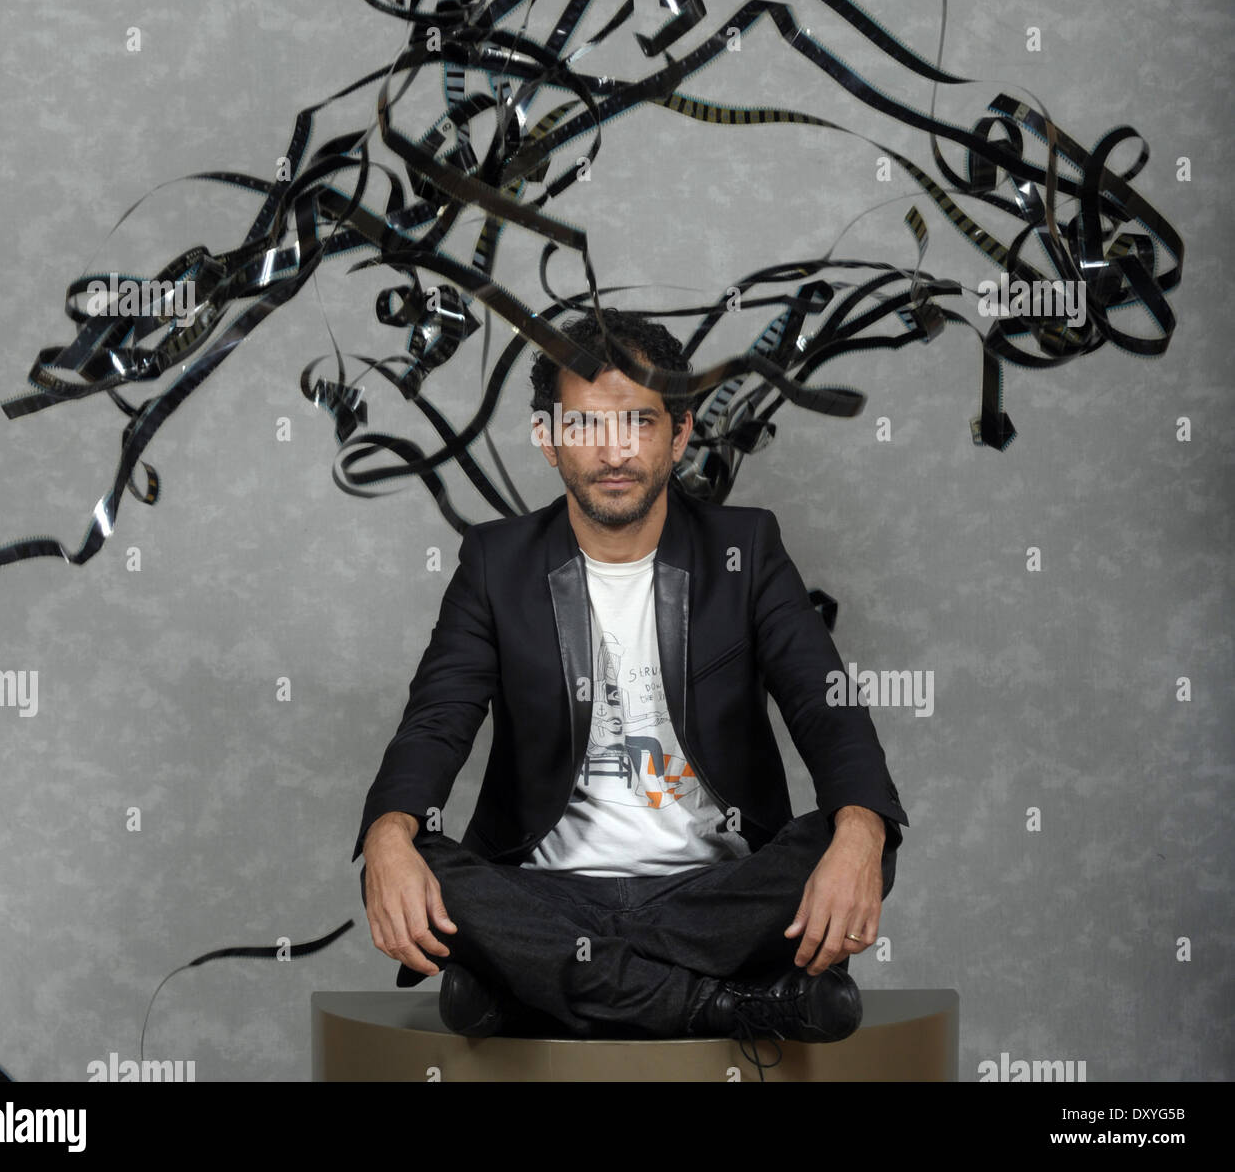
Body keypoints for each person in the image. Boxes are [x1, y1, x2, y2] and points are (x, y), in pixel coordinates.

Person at [352, 308, 908, 1074]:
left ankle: (533, 979)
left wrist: (861, 835)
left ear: (679, 435)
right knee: (415, 852)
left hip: (718, 888)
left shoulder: (745, 549)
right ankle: (722, 1002)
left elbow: (826, 705)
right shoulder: (496, 561)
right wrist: (386, 837)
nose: (613, 452)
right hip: (547, 890)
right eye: (584, 428)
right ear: (547, 439)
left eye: (638, 423)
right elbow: (436, 721)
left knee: (858, 833)